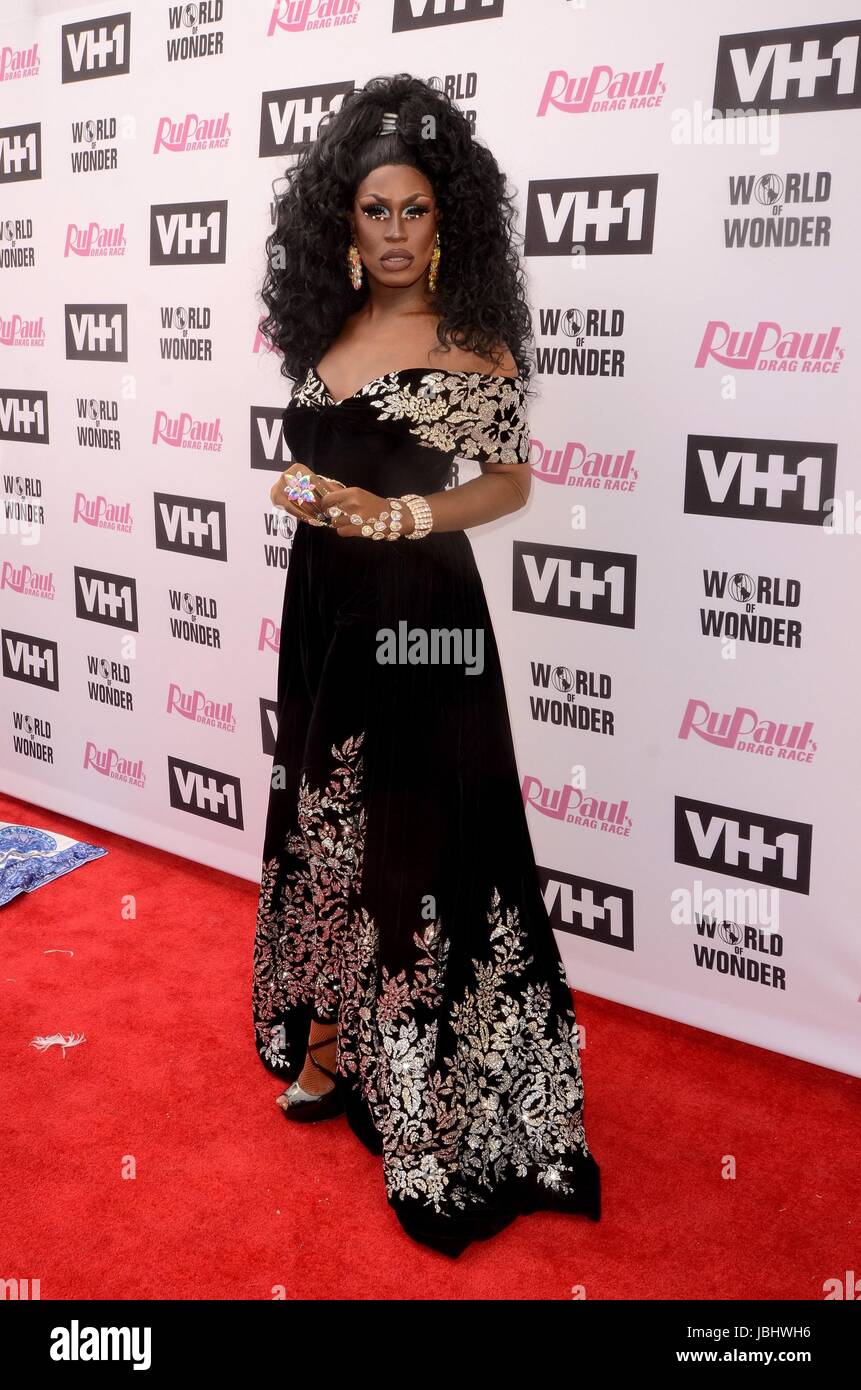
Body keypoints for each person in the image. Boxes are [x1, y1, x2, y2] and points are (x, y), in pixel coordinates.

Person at [253, 73, 601, 1258]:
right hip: (324, 610)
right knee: (326, 824)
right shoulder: (328, 327)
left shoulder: (473, 333)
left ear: (445, 214)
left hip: (423, 611)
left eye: (412, 210)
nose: (394, 233)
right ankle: (329, 1041)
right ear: (338, 224)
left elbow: (510, 485)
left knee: (418, 833)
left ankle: (424, 1083)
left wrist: (401, 518)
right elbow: (314, 459)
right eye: (372, 213)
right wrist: (303, 490)